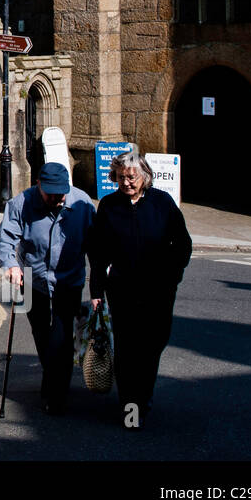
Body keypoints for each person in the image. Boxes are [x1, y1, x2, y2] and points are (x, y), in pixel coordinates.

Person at [89, 149, 192, 430]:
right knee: (127, 349)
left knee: (152, 346)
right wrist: (96, 291)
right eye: (120, 178)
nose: (126, 183)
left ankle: (142, 396)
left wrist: (172, 278)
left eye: (131, 177)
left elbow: (182, 245)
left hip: (159, 292)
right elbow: (98, 253)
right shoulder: (109, 206)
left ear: (145, 176)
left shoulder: (163, 203)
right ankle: (131, 406)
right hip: (122, 291)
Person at [0, 162, 99, 415]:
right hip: (32, 279)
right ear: (38, 184)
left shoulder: (81, 203)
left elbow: (95, 245)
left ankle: (55, 395)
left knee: (60, 338)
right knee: (41, 334)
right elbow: (3, 239)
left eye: (61, 194)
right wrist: (11, 265)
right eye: (51, 194)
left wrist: (98, 288)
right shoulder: (21, 203)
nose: (56, 199)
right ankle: (53, 379)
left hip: (69, 281)